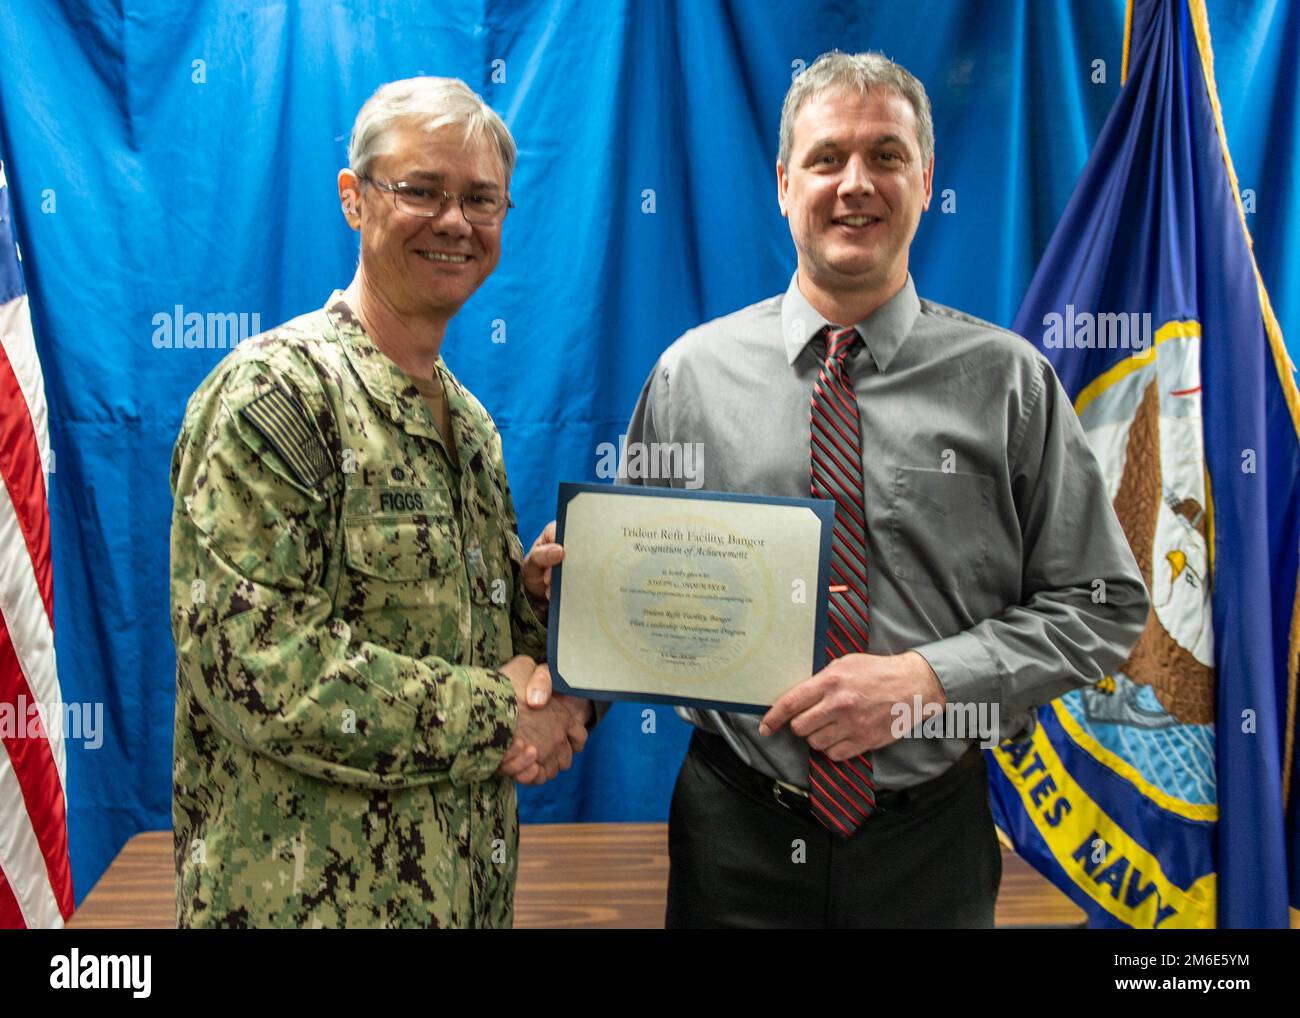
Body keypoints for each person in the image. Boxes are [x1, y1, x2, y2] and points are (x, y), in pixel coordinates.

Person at [617, 50, 1150, 928]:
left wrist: (927, 683)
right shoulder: (691, 377)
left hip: (928, 841)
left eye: (886, 157)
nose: (854, 184)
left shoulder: (1009, 384)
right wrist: (580, 596)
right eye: (827, 159)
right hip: (733, 836)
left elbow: (1103, 603)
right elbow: (632, 593)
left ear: (926, 178)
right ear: (785, 183)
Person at [169, 76, 589, 929]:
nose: (455, 222)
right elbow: (258, 668)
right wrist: (501, 715)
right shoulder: (274, 396)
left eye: (481, 199)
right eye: (422, 191)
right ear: (354, 200)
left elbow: (467, 643)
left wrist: (546, 613)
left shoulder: (468, 425)